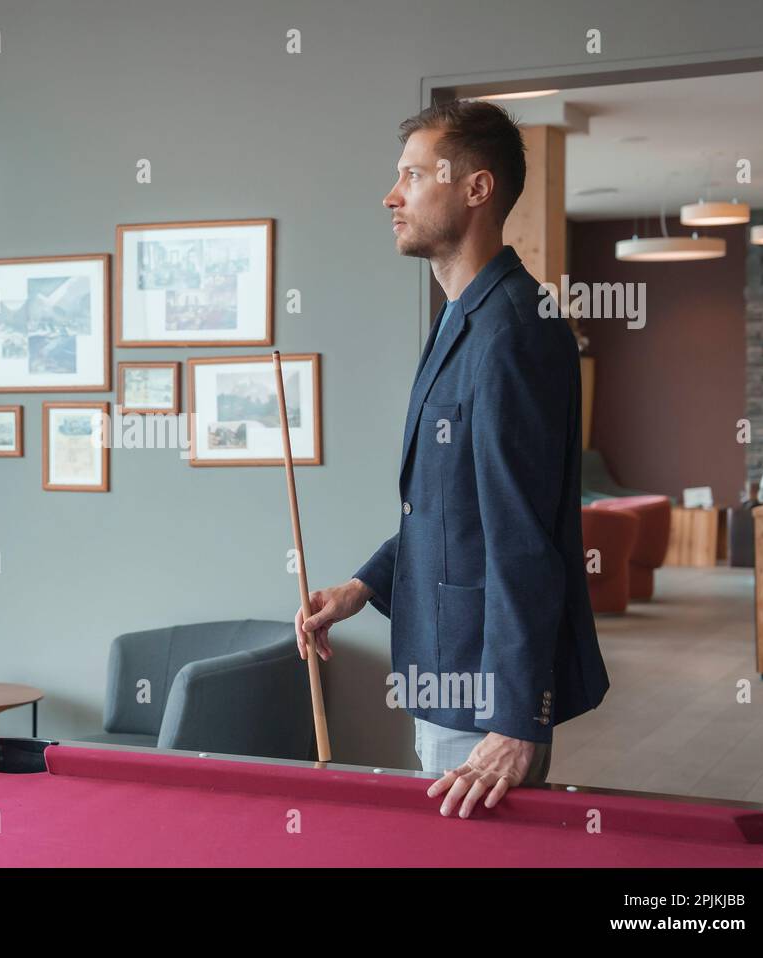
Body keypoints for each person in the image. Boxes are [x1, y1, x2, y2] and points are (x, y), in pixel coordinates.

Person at [294, 100, 609, 819]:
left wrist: (517, 721)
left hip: (482, 696)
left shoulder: (513, 332)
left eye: (411, 175)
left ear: (476, 190)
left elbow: (524, 539)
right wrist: (361, 587)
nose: (391, 195)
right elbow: (452, 507)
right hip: (446, 672)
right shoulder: (461, 318)